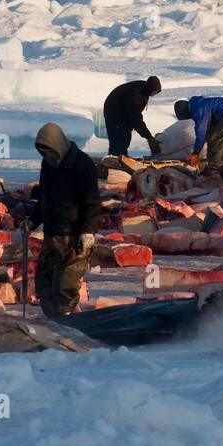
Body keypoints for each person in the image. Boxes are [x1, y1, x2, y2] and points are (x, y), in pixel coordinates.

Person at [32, 123, 101, 318]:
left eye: (49, 151)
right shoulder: (48, 164)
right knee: (44, 286)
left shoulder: (82, 164)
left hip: (74, 236)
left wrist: (87, 232)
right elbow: (44, 197)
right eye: (43, 152)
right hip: (52, 235)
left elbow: (92, 202)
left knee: (65, 287)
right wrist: (33, 220)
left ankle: (68, 326)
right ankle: (53, 323)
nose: (47, 156)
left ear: (57, 144)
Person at [174, 96, 223, 169]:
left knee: (215, 140)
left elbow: (201, 132)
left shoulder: (197, 111)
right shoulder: (197, 103)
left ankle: (214, 167)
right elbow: (208, 124)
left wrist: (196, 153)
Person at [103, 76, 163, 158]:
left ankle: (118, 158)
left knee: (125, 137)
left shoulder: (144, 91)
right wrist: (149, 137)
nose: (155, 94)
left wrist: (148, 136)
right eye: (155, 91)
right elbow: (134, 116)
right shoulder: (136, 92)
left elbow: (136, 114)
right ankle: (116, 159)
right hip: (114, 113)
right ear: (151, 88)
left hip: (123, 113)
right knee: (119, 138)